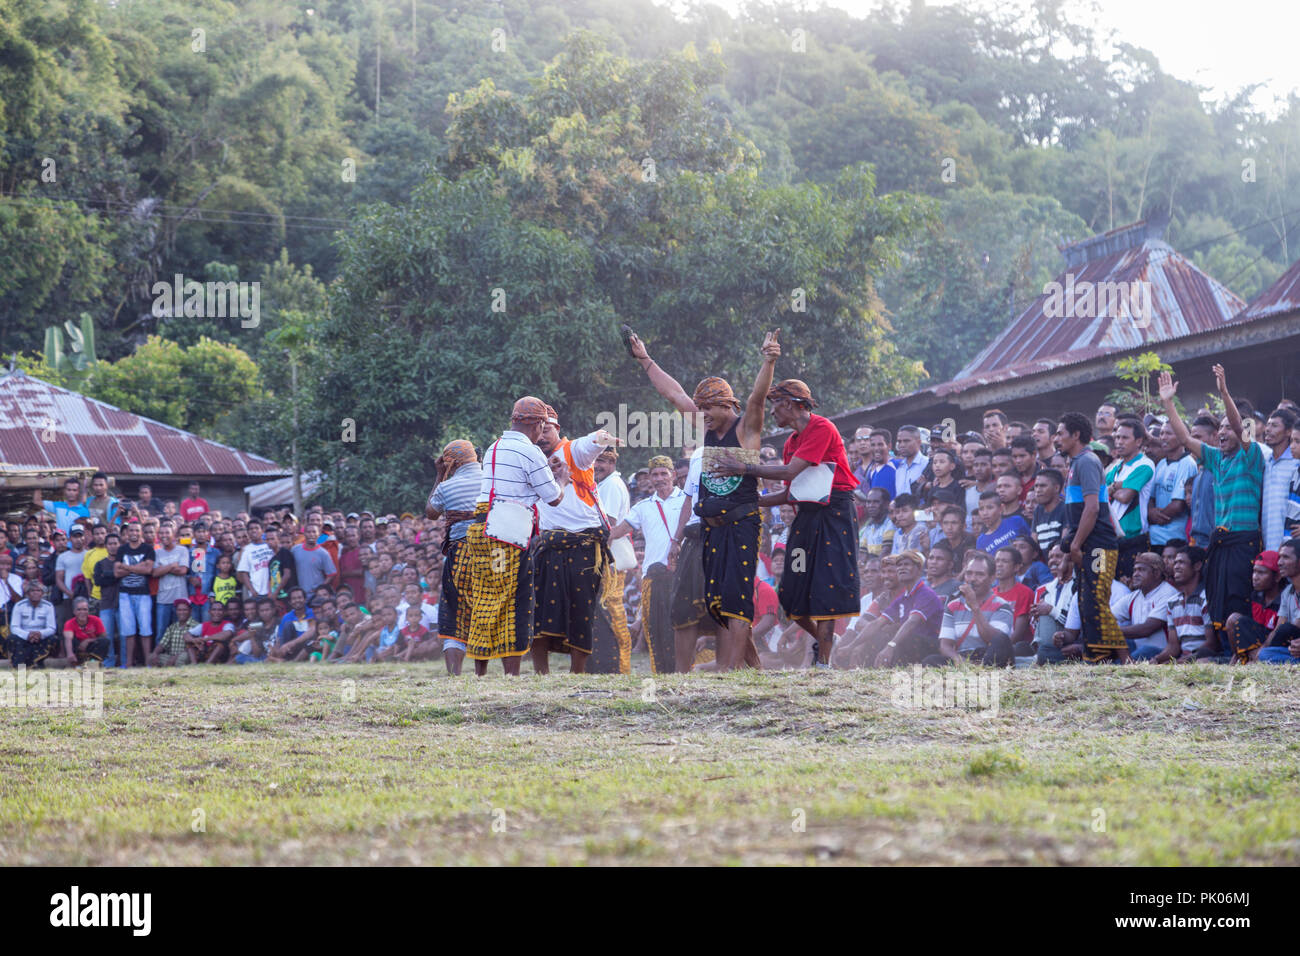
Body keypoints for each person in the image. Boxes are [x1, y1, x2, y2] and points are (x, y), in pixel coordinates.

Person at [626, 327, 778, 671]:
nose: (702, 414)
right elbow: (674, 394)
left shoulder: (746, 429)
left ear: (726, 405)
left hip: (741, 524)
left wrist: (769, 360)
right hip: (708, 528)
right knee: (705, 601)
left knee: (735, 600)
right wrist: (645, 360)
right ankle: (715, 669)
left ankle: (726, 673)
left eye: (709, 407)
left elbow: (757, 397)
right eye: (701, 409)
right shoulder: (707, 427)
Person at [716, 379, 860, 667]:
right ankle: (828, 640)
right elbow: (789, 492)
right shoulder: (792, 442)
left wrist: (745, 468)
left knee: (827, 587)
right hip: (805, 518)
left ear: (792, 404)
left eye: (775, 405)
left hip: (834, 515)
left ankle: (825, 662)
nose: (771, 413)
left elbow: (792, 472)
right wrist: (747, 501)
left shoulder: (822, 428)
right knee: (790, 591)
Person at [455, 397, 564, 676]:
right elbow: (552, 498)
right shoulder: (531, 453)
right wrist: (562, 478)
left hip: (481, 530)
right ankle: (510, 675)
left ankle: (481, 672)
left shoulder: (494, 447)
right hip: (504, 537)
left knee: (485, 597)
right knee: (511, 602)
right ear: (538, 424)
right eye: (543, 425)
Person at [1159, 365, 1263, 649]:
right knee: (1217, 594)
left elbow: (1241, 426)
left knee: (1239, 594)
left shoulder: (1250, 455)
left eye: (1229, 428)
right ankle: (1222, 649)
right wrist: (1168, 402)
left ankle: (1242, 650)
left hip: (1243, 540)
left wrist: (1224, 392)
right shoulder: (1216, 459)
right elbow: (1184, 438)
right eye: (1221, 428)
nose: (1223, 432)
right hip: (1220, 540)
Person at [531, 406, 620, 674]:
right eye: (538, 430)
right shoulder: (532, 460)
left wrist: (604, 437)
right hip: (548, 546)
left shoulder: (574, 452)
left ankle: (577, 672)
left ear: (557, 429)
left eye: (547, 429)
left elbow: (594, 439)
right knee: (539, 609)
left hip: (583, 545)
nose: (542, 435)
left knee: (582, 608)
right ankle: (540, 674)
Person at [1056, 411, 1129, 663]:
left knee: (1096, 600)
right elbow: (1074, 518)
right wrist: (1068, 555)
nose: (1057, 439)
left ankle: (1122, 658)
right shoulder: (1075, 464)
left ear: (1076, 435)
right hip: (1086, 544)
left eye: (1060, 433)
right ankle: (1097, 657)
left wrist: (1075, 546)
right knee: (1088, 603)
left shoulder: (1087, 462)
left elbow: (1093, 509)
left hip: (1098, 545)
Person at [609, 456, 688, 672]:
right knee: (655, 628)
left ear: (673, 475)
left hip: (681, 574)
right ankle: (660, 674)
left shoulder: (687, 501)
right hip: (651, 578)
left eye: (664, 473)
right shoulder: (643, 506)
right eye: (655, 474)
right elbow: (618, 531)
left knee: (682, 626)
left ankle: (685, 674)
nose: (660, 478)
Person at [425, 439, 481, 677]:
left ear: (451, 463)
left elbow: (430, 512)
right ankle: (487, 673)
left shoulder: (447, 486)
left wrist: (440, 475)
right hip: (496, 554)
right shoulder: (492, 479)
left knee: (454, 611)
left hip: (460, 556)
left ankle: (454, 674)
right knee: (490, 609)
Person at [925, 552, 1015, 667]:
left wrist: (975, 608)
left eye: (979, 574)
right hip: (963, 658)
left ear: (992, 578)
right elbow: (945, 645)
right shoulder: (953, 606)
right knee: (931, 660)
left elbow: (996, 641)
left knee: (1001, 640)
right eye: (969, 574)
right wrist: (961, 662)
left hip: (989, 655)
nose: (972, 579)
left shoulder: (1002, 606)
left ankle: (984, 674)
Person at [590, 446, 634, 674]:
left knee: (612, 611)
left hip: (608, 559)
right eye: (596, 460)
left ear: (613, 463)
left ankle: (619, 665)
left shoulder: (611, 485)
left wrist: (598, 560)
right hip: (607, 558)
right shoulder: (604, 484)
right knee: (606, 610)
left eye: (604, 461)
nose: (598, 465)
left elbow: (607, 527)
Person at [870, 551, 944, 668]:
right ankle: (870, 669)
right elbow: (878, 622)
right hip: (912, 645)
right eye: (899, 565)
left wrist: (891, 645)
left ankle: (895, 673)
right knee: (879, 636)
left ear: (919, 569)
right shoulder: (903, 597)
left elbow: (912, 622)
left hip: (931, 646)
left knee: (902, 639)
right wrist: (851, 646)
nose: (902, 568)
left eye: (907, 564)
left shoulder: (926, 593)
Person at [1104, 417, 1155, 580]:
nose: (1119, 442)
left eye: (1125, 438)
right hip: (1110, 539)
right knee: (1104, 587)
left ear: (1139, 441)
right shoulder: (1115, 468)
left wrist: (1111, 488)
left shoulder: (1144, 465)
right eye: (1117, 437)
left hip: (1133, 539)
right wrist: (1116, 487)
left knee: (1129, 587)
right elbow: (1101, 492)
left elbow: (1125, 497)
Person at [1221, 550, 1283, 663]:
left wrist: (1262, 649)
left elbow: (1280, 633)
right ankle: (1239, 657)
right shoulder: (1256, 596)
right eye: (1254, 572)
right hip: (1258, 641)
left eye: (1261, 573)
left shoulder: (1285, 598)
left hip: (1276, 646)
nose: (1255, 577)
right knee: (1233, 620)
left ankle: (1254, 660)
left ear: (1277, 577)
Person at [1148, 423, 1197, 554]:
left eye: (1169, 433)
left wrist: (1157, 517)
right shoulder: (1161, 464)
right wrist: (1150, 512)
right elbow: (1150, 497)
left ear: (1182, 436)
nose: (1163, 437)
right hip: (1155, 537)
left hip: (1174, 539)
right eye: (1162, 433)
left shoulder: (1187, 463)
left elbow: (1178, 505)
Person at [1156, 546, 1209, 663]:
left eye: (1181, 562)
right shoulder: (1172, 603)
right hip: (1183, 659)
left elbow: (1212, 644)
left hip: (1203, 657)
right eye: (1175, 563)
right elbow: (1173, 647)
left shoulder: (1206, 599)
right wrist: (1156, 660)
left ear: (1197, 566)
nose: (1176, 567)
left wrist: (1187, 659)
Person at [115, 521, 156, 667]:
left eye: (137, 530)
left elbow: (148, 570)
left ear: (141, 532)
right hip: (125, 594)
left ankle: (147, 663)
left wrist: (126, 566)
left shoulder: (148, 549)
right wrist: (138, 567)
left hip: (143, 594)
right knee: (128, 631)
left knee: (145, 629)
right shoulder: (122, 549)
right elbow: (116, 572)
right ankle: (129, 664)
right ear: (127, 533)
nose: (134, 533)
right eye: (131, 531)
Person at [1261, 408, 1299, 550]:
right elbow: (1245, 440)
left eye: (1274, 426)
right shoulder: (1265, 460)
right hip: (1268, 543)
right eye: (1268, 425)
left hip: (1290, 544)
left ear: (1288, 431)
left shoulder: (1296, 463)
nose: (1268, 429)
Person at [1031, 545, 1076, 665]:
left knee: (1043, 652)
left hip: (1069, 645)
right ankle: (1038, 657)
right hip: (1047, 645)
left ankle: (1038, 659)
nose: (1052, 561)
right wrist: (1036, 618)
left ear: (1069, 560)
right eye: (1050, 557)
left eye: (1058, 556)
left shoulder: (1077, 585)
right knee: (1020, 647)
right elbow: (1036, 626)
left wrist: (1051, 610)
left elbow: (1075, 624)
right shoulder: (1047, 589)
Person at [8, 581, 58, 667]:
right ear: (27, 593)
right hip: (24, 637)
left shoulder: (48, 606)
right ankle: (21, 668)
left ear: (42, 593)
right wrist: (28, 635)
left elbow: (52, 628)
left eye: (38, 590)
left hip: (41, 637)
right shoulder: (19, 605)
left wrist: (40, 634)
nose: (35, 593)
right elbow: (14, 627)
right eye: (32, 591)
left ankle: (39, 663)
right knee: (12, 638)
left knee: (54, 639)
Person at [61, 596, 109, 665]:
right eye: (79, 610)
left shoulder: (96, 620)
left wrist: (88, 640)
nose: (82, 612)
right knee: (68, 640)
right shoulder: (69, 623)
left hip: (91, 647)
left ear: (88, 611)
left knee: (104, 641)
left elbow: (103, 637)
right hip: (78, 648)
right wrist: (70, 653)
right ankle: (75, 663)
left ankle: (93, 663)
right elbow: (68, 639)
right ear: (74, 612)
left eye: (85, 609)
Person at [150, 598, 194, 666]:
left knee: (182, 658)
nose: (181, 612)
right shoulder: (172, 627)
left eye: (184, 610)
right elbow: (162, 644)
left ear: (190, 611)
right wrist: (155, 653)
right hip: (170, 657)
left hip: (186, 657)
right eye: (179, 610)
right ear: (176, 611)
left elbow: (193, 648)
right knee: (151, 657)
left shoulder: (196, 626)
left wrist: (175, 657)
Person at [893, 426, 929, 498]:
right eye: (899, 441)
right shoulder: (899, 467)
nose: (902, 445)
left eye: (906, 441)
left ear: (919, 442)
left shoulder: (928, 464)